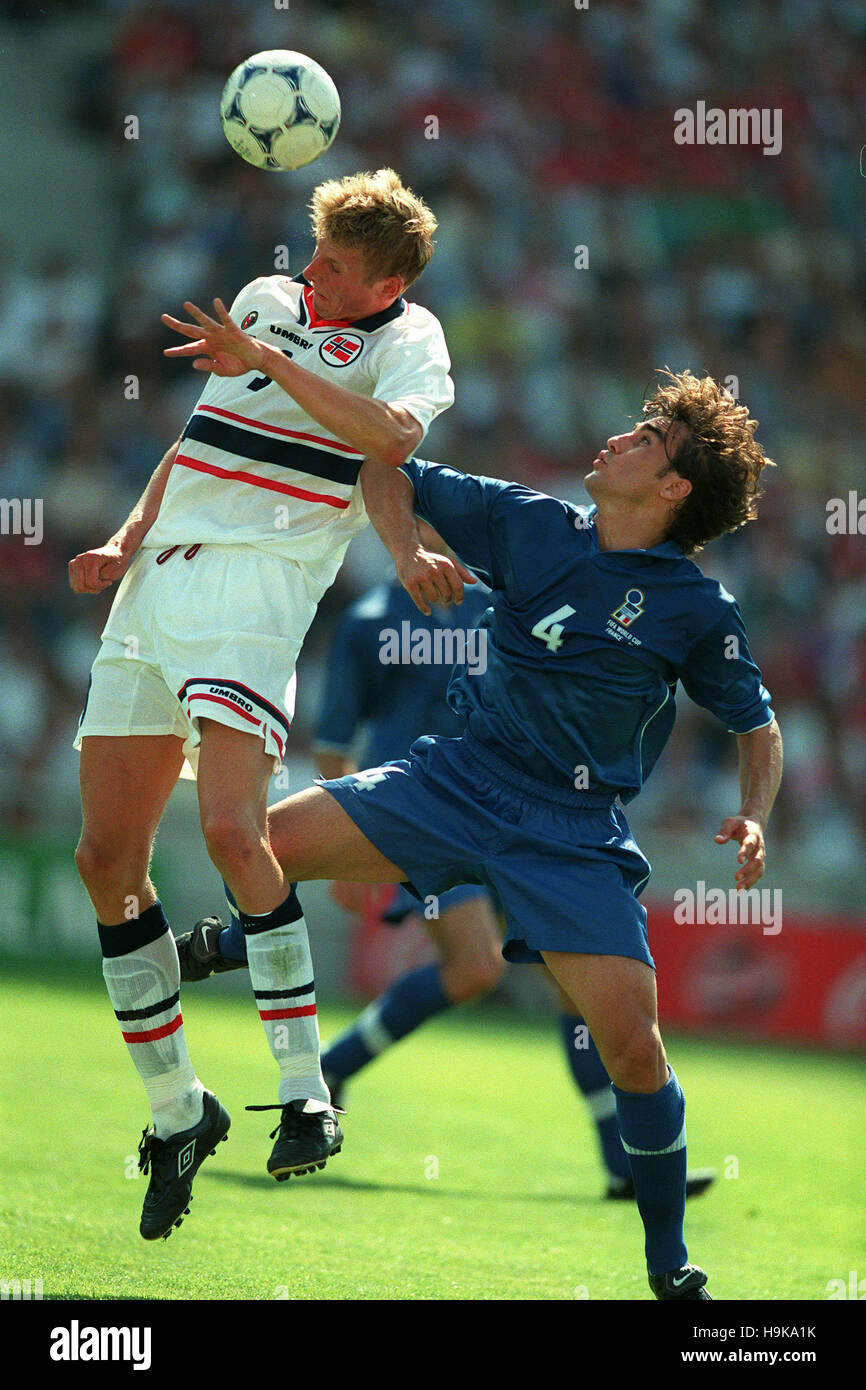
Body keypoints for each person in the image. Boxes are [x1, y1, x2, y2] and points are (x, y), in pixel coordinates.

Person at [224, 370, 783, 1299]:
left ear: (674, 488)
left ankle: (668, 1265)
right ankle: (246, 972)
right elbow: (386, 462)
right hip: (455, 778)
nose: (622, 436)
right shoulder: (529, 522)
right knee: (252, 842)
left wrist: (756, 817)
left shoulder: (696, 610)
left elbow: (757, 727)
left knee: (634, 1047)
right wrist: (406, 552)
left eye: (648, 437)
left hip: (570, 838)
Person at [68, 168, 468, 1242]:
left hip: (260, 586)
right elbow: (196, 436)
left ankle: (305, 1094)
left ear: (386, 277)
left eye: (335, 263)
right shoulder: (266, 300)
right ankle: (178, 1110)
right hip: (158, 584)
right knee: (105, 861)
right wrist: (125, 534)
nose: (311, 271)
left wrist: (275, 370)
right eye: (313, 251)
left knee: (235, 831)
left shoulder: (412, 341)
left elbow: (387, 442)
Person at [179, 526, 716, 1204]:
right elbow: (337, 742)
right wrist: (349, 850)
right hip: (430, 810)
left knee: (562, 984)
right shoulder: (370, 624)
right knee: (478, 966)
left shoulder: (497, 605)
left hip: (528, 814)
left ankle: (619, 1162)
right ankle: (326, 1063)